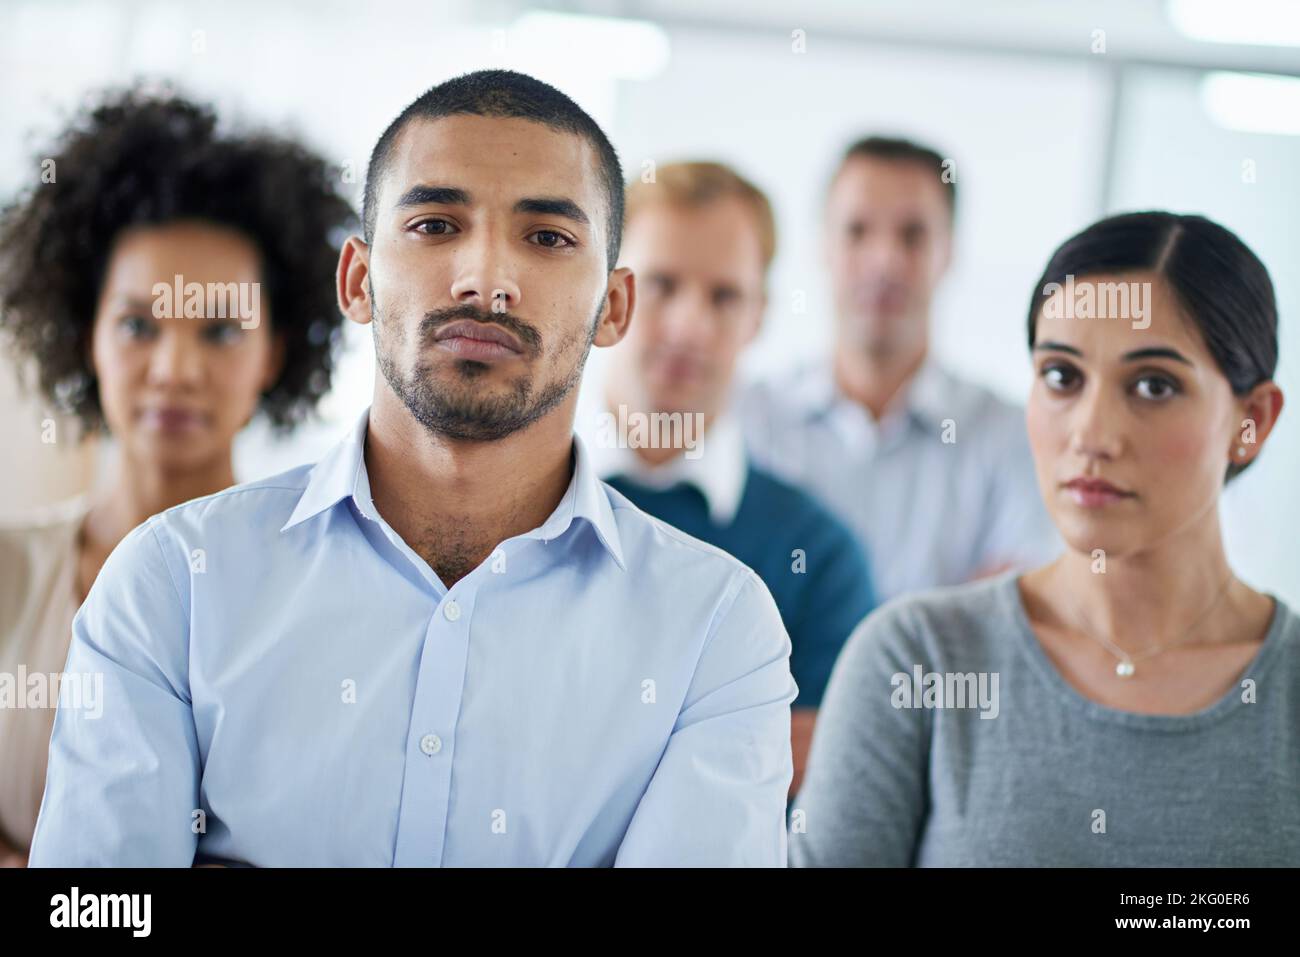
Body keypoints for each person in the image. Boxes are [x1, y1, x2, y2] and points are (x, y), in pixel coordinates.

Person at [28, 70, 796, 867]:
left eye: (547, 237)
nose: (486, 279)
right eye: (435, 224)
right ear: (358, 280)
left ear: (614, 306)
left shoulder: (718, 630)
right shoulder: (170, 582)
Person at [790, 211, 1297, 866]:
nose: (1091, 433)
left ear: (1250, 421)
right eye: (1062, 375)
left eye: (1153, 385)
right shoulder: (918, 658)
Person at [0, 88, 354, 867]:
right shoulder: (8, 571)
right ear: (82, 333)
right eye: (137, 325)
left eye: (221, 330)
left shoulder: (340, 591)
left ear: (275, 353)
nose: (174, 370)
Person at [594, 161, 875, 798]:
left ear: (758, 315)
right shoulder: (507, 499)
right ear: (607, 294)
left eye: (724, 297)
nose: (690, 326)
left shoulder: (820, 556)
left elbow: (811, 786)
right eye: (662, 284)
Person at [740, 136, 1058, 602]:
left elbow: (1006, 622)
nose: (885, 260)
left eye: (913, 235)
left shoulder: (1012, 437)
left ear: (948, 253)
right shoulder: (747, 417)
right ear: (823, 247)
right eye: (857, 231)